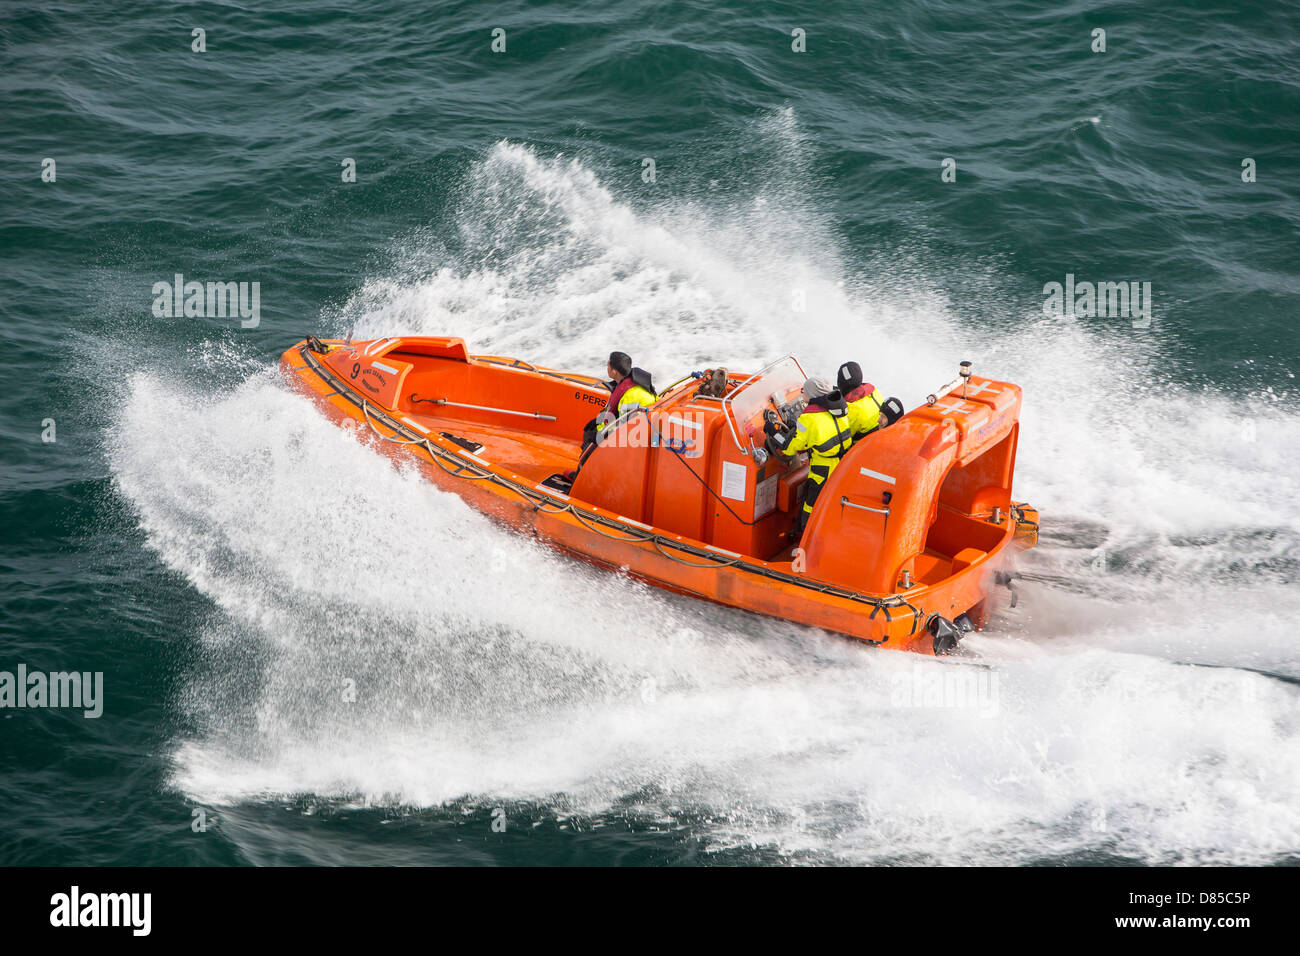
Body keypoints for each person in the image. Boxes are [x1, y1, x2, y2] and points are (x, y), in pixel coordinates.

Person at [765, 377, 853, 540]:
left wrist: (772, 431)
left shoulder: (809, 418)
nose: (802, 393)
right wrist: (794, 427)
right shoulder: (838, 410)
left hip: (822, 470)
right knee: (825, 504)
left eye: (803, 391)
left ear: (812, 394)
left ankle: (807, 541)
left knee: (810, 507)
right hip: (840, 466)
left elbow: (789, 447)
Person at [568, 351, 657, 479]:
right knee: (592, 428)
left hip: (635, 439)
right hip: (637, 429)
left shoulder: (630, 396)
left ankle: (581, 478)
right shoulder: (631, 384)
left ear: (614, 371)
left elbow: (626, 428)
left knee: (591, 439)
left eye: (608, 365)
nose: (607, 367)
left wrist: (598, 433)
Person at [836, 361, 888, 439]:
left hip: (864, 446)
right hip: (882, 435)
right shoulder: (874, 392)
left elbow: (843, 435)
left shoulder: (851, 408)